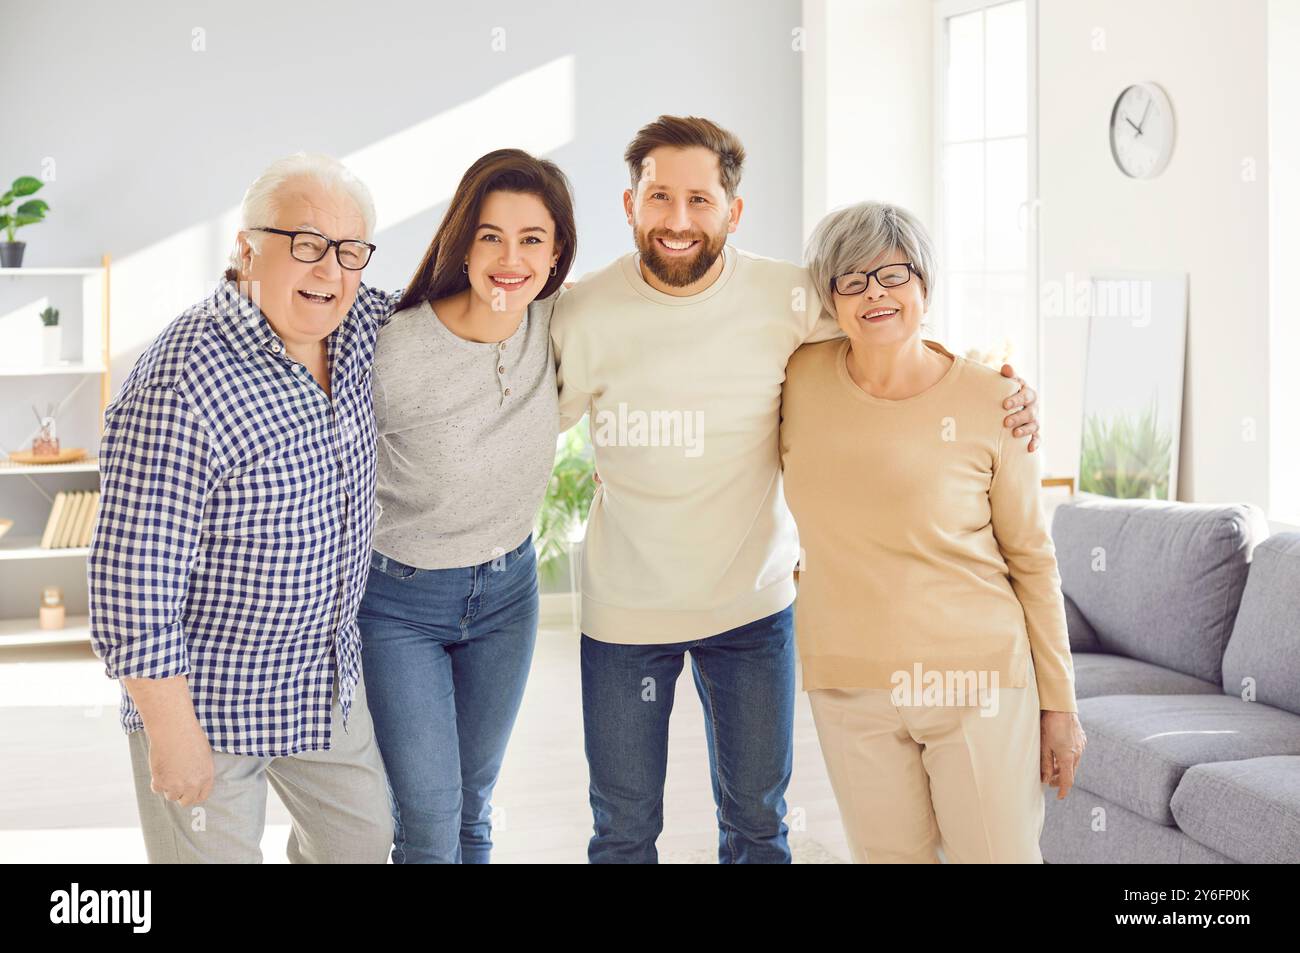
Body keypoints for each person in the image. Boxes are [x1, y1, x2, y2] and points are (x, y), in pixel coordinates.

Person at [549, 115, 1044, 863]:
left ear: (733, 211)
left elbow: (887, 319)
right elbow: (527, 423)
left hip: (752, 609)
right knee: (622, 832)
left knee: (756, 827)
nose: (678, 220)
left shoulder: (785, 296)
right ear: (629, 205)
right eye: (658, 198)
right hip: (627, 613)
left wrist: (991, 387)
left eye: (700, 200)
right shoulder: (585, 312)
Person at [88, 153, 394, 863]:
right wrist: (172, 734)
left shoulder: (356, 331)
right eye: (307, 244)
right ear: (246, 248)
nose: (330, 270)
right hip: (204, 700)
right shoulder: (180, 379)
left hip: (320, 685)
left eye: (349, 251)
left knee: (362, 842)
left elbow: (452, 310)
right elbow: (131, 583)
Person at [779, 200, 1086, 863]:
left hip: (976, 680)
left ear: (924, 283)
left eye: (892, 274)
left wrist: (1059, 704)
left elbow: (1033, 559)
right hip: (847, 680)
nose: (875, 294)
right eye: (851, 280)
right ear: (831, 297)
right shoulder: (794, 381)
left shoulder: (995, 402)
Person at [356, 149, 576, 863]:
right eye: (491, 236)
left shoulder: (556, 325)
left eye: (531, 239)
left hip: (510, 594)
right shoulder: (395, 345)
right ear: (463, 241)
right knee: (427, 819)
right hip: (400, 603)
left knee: (475, 809)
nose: (510, 258)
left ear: (556, 252)